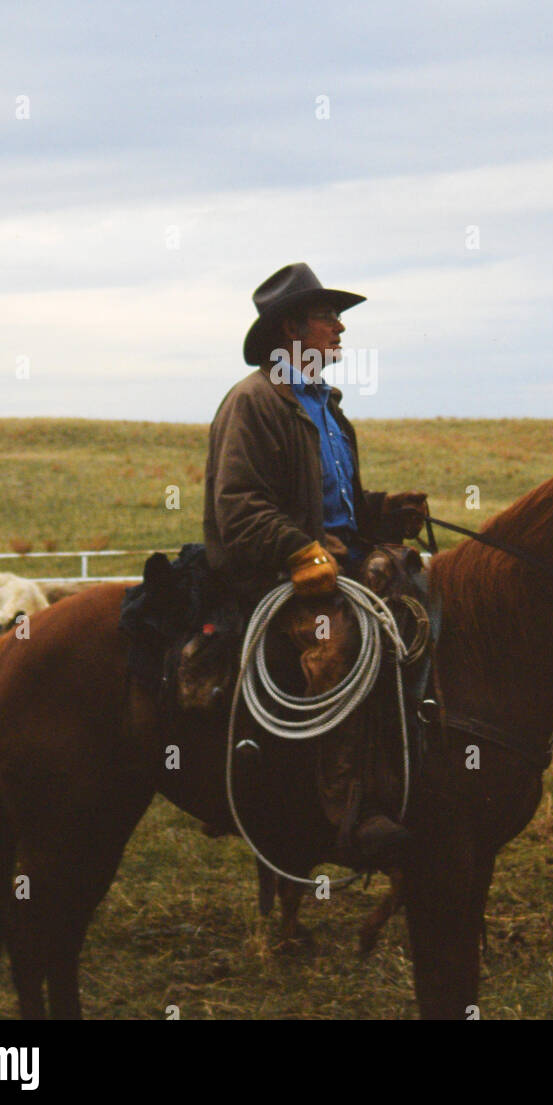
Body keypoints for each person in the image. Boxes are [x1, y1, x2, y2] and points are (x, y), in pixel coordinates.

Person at [203, 262, 428, 868]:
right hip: (275, 579)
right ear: (289, 329)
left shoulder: (325, 408)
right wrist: (298, 550)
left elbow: (335, 508)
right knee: (339, 650)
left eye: (337, 318)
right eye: (328, 316)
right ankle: (347, 814)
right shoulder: (253, 402)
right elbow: (239, 508)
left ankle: (413, 774)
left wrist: (384, 512)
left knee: (429, 610)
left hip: (339, 568)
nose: (339, 329)